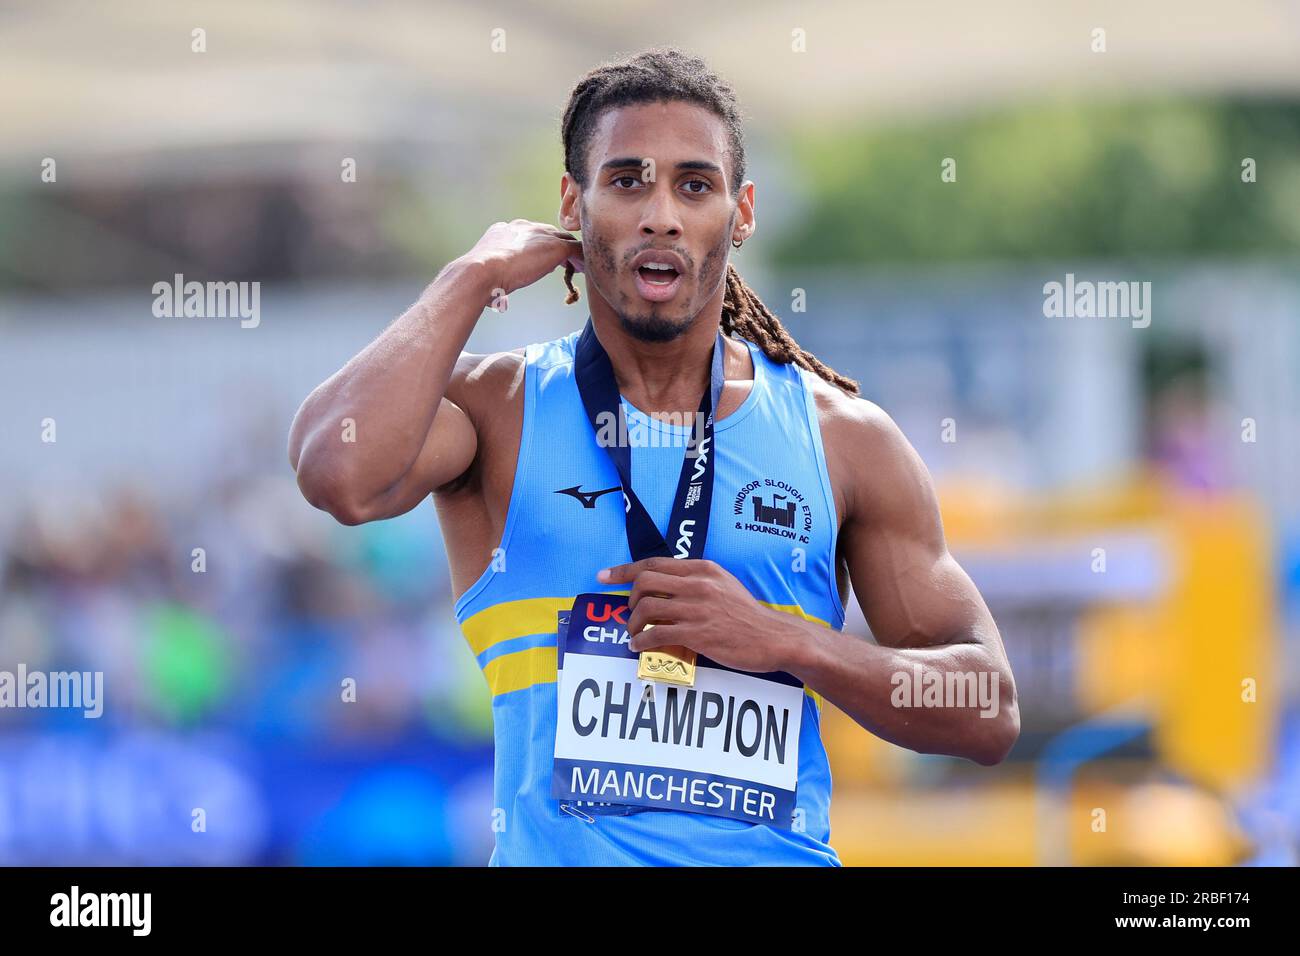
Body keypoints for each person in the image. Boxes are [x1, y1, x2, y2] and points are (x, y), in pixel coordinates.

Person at [288, 47, 1018, 866]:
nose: (661, 214)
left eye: (694, 185)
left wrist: (791, 643)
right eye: (627, 180)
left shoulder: (843, 437)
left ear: (741, 214)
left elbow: (986, 709)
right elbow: (334, 473)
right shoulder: (497, 412)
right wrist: (471, 277)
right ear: (574, 201)